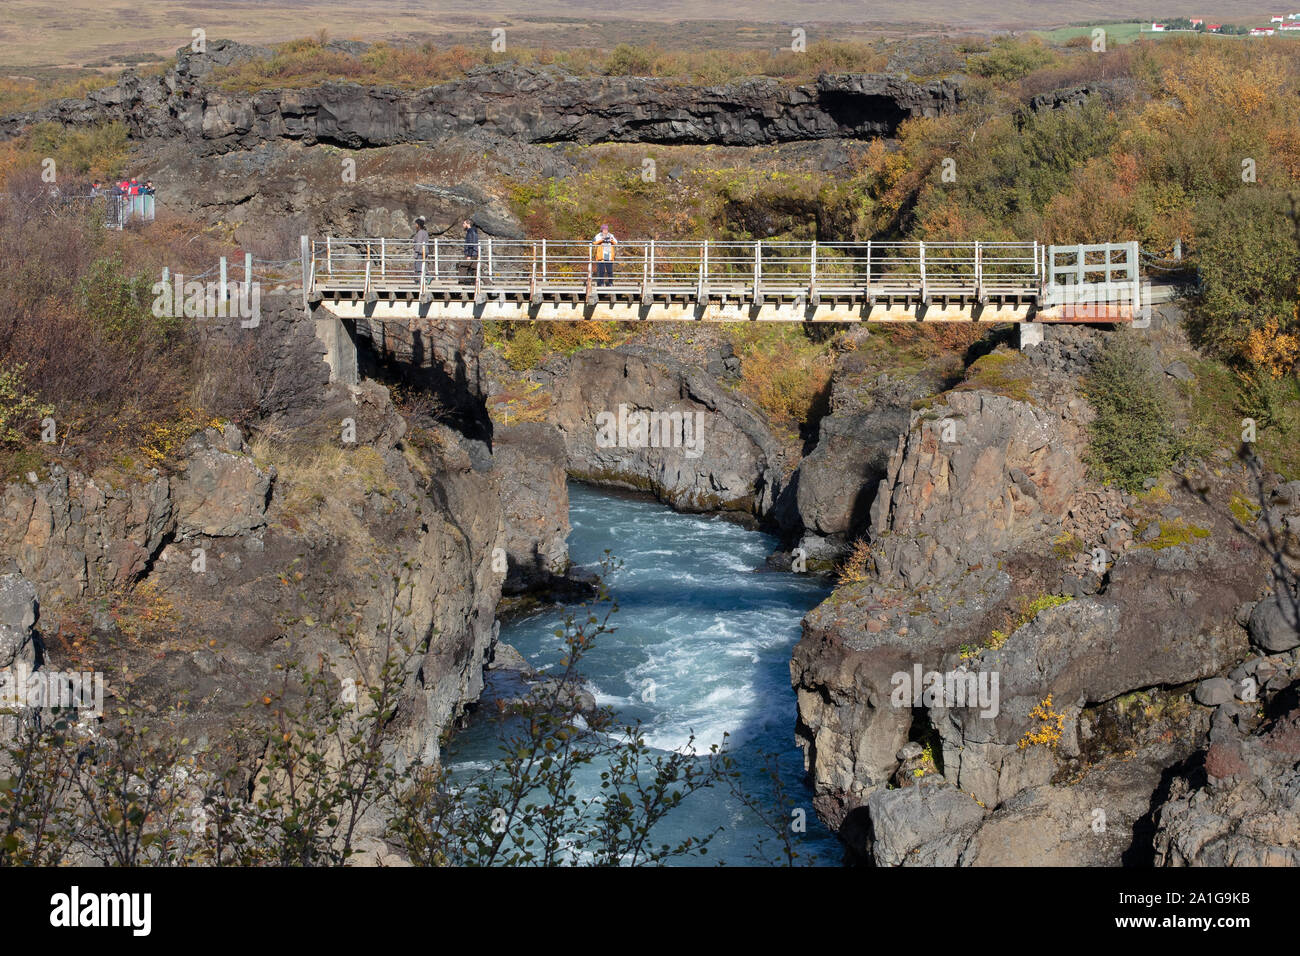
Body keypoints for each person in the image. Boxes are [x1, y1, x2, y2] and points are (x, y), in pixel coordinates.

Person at [412, 216, 429, 280]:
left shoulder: (420, 232)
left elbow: (419, 243)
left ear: (418, 225)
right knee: (424, 266)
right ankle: (426, 278)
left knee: (418, 266)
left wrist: (416, 253)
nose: (415, 225)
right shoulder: (425, 232)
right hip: (425, 251)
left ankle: (421, 280)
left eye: (416, 224)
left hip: (420, 252)